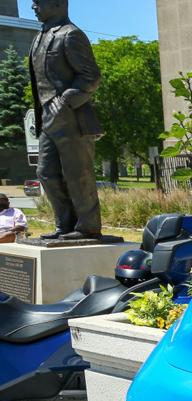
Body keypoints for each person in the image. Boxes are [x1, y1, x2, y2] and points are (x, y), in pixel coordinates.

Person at [28, 0, 104, 241]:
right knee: (46, 173)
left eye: (38, 2)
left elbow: (90, 76)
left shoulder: (71, 34)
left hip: (72, 117)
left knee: (77, 174)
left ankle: (88, 227)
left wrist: (66, 100)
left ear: (58, 4)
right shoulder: (40, 36)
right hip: (47, 117)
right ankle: (65, 224)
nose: (33, 7)